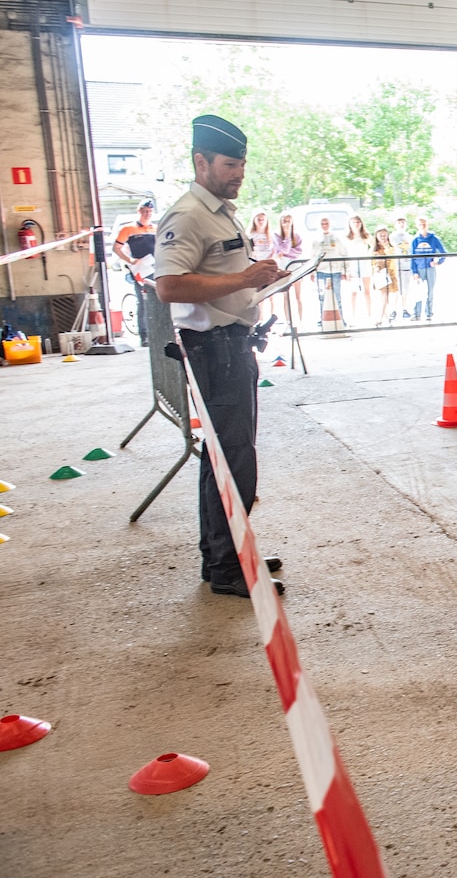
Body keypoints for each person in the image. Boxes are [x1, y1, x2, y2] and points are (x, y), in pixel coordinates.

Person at [154, 114, 288, 598]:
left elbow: (220, 273)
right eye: (230, 164)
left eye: (242, 165)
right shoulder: (188, 214)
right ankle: (228, 567)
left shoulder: (220, 213)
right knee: (231, 462)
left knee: (227, 460)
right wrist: (245, 279)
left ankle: (225, 555)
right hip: (215, 352)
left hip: (233, 346)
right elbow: (170, 285)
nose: (239, 174)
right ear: (201, 162)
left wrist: (258, 277)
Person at [113, 200, 156, 346]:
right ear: (139, 211)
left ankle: (157, 332)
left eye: (150, 211)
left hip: (156, 268)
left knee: (159, 300)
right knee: (143, 301)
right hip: (140, 270)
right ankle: (144, 335)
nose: (147, 214)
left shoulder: (155, 229)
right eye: (144, 211)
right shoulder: (128, 229)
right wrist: (130, 260)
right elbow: (116, 248)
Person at [410, 217, 447, 320]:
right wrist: (414, 272)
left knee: (430, 292)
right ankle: (417, 314)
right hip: (419, 268)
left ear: (427, 225)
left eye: (424, 224)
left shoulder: (434, 238)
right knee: (418, 291)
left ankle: (429, 313)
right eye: (420, 224)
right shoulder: (415, 240)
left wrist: (438, 262)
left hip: (430, 269)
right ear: (417, 226)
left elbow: (444, 253)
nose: (422, 226)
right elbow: (411, 257)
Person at [272, 213, 305, 324]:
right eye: (284, 221)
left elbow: (298, 252)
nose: (286, 223)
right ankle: (288, 321)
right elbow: (283, 250)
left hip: (295, 266)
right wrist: (286, 237)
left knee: (298, 296)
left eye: (288, 221)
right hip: (283, 266)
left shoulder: (297, 236)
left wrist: (285, 252)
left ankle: (300, 321)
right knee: (286, 296)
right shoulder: (276, 236)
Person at [313, 216, 343, 328]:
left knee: (337, 297)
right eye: (322, 223)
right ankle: (323, 319)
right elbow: (313, 255)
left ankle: (340, 319)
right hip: (321, 271)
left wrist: (345, 270)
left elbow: (343, 253)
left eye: (326, 223)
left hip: (335, 271)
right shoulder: (316, 240)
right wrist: (312, 272)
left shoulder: (336, 239)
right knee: (322, 297)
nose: (324, 225)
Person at [343, 215, 373, 324]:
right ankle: (352, 317)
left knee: (366, 292)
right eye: (354, 222)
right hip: (352, 265)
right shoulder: (347, 237)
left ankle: (369, 316)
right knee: (353, 293)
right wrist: (346, 270)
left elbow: (373, 247)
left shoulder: (366, 236)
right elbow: (344, 253)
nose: (356, 224)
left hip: (364, 264)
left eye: (358, 222)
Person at [248, 212, 278, 321]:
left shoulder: (270, 235)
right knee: (260, 295)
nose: (261, 222)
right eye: (259, 219)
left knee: (271, 295)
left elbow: (274, 250)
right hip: (257, 267)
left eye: (263, 220)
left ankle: (272, 317)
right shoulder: (251, 235)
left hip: (268, 266)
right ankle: (260, 319)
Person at [371, 226, 399, 327]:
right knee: (384, 296)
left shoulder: (390, 246)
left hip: (390, 273)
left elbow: (392, 256)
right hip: (380, 274)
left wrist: (386, 246)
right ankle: (381, 318)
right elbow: (372, 262)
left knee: (387, 297)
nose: (383, 237)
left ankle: (384, 318)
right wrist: (376, 268)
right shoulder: (374, 248)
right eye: (380, 235)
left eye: (384, 235)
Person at [390, 216, 415, 319]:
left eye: (403, 222)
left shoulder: (410, 237)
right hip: (396, 266)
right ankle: (393, 310)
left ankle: (405, 309)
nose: (401, 224)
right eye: (399, 222)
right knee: (396, 290)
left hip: (407, 266)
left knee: (405, 290)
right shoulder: (392, 237)